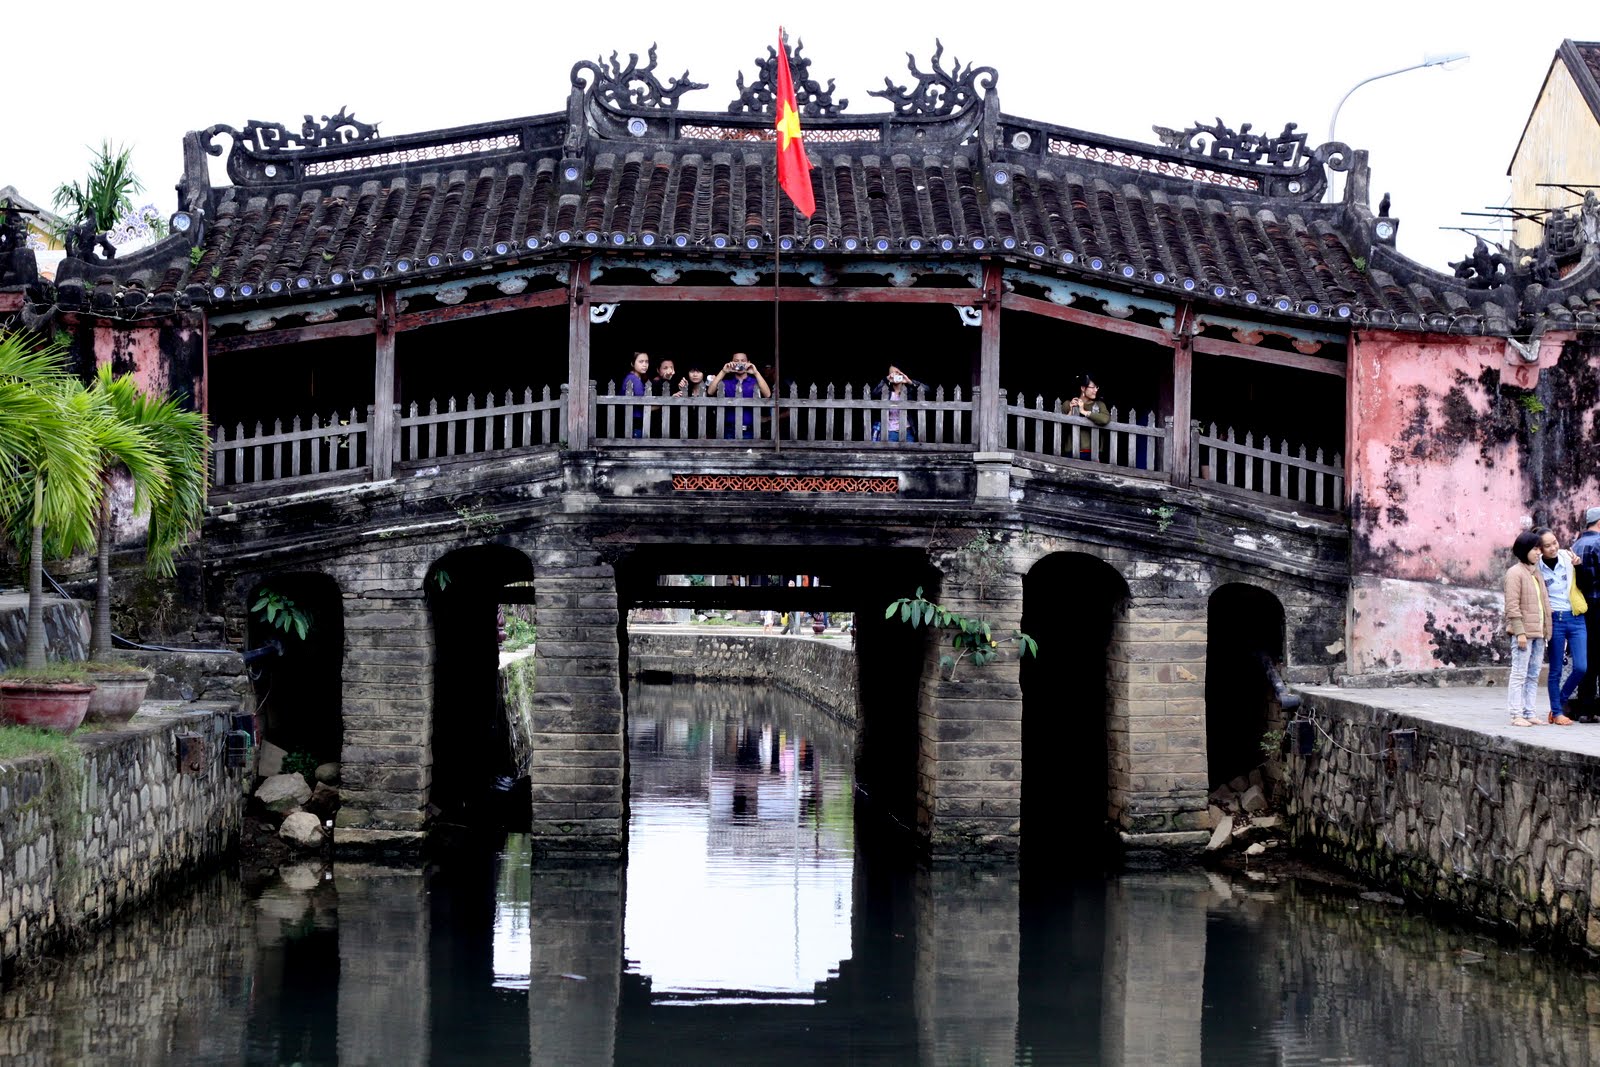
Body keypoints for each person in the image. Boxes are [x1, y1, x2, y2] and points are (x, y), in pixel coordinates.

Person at [1537, 526, 1587, 724]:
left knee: (1581, 667)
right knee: (1555, 669)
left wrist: (1579, 566)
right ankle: (1556, 713)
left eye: (1554, 542)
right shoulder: (1537, 566)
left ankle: (1560, 700)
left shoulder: (1568, 557)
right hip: (1555, 620)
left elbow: (1584, 585)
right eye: (1547, 546)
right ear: (1540, 548)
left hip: (1575, 617)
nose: (1553, 548)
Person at [1505, 529, 1552, 727]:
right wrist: (1520, 632)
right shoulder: (1515, 573)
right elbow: (1512, 606)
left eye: (1538, 548)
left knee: (1533, 675)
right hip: (1524, 634)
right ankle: (1516, 714)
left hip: (1538, 634)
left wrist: (1546, 632)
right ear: (1525, 550)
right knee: (1519, 674)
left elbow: (1544, 604)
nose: (1538, 552)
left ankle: (1529, 712)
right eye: (1534, 548)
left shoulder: (1536, 573)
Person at [1571, 506, 1600, 720]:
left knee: (1587, 657)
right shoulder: (1598, 544)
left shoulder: (1577, 544)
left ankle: (1585, 709)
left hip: (1582, 607)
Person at [705, 353, 771, 439]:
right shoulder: (726, 383)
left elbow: (768, 394)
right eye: (736, 361)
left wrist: (756, 372)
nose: (739, 363)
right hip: (728, 430)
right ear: (731, 363)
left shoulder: (755, 382)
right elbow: (710, 391)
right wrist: (723, 371)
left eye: (743, 361)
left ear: (748, 362)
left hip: (751, 430)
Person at [871, 365, 925, 442]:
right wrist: (886, 380)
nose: (894, 375)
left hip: (908, 431)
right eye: (891, 373)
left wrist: (910, 382)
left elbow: (928, 392)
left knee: (908, 453)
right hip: (889, 432)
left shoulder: (910, 391)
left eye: (897, 372)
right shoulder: (886, 392)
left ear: (902, 373)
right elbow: (873, 394)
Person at [1067, 373, 1110, 460]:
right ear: (1083, 388)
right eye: (1093, 387)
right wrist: (1071, 411)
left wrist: (1083, 411)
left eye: (1097, 387)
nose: (1096, 390)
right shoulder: (1068, 404)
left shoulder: (1100, 405)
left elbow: (1105, 419)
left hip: (1093, 454)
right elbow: (1061, 427)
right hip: (1071, 452)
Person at [621, 351, 650, 437]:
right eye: (641, 361)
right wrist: (661, 405)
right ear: (632, 363)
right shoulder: (634, 380)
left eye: (647, 361)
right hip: (635, 419)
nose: (645, 364)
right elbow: (643, 405)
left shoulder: (633, 377)